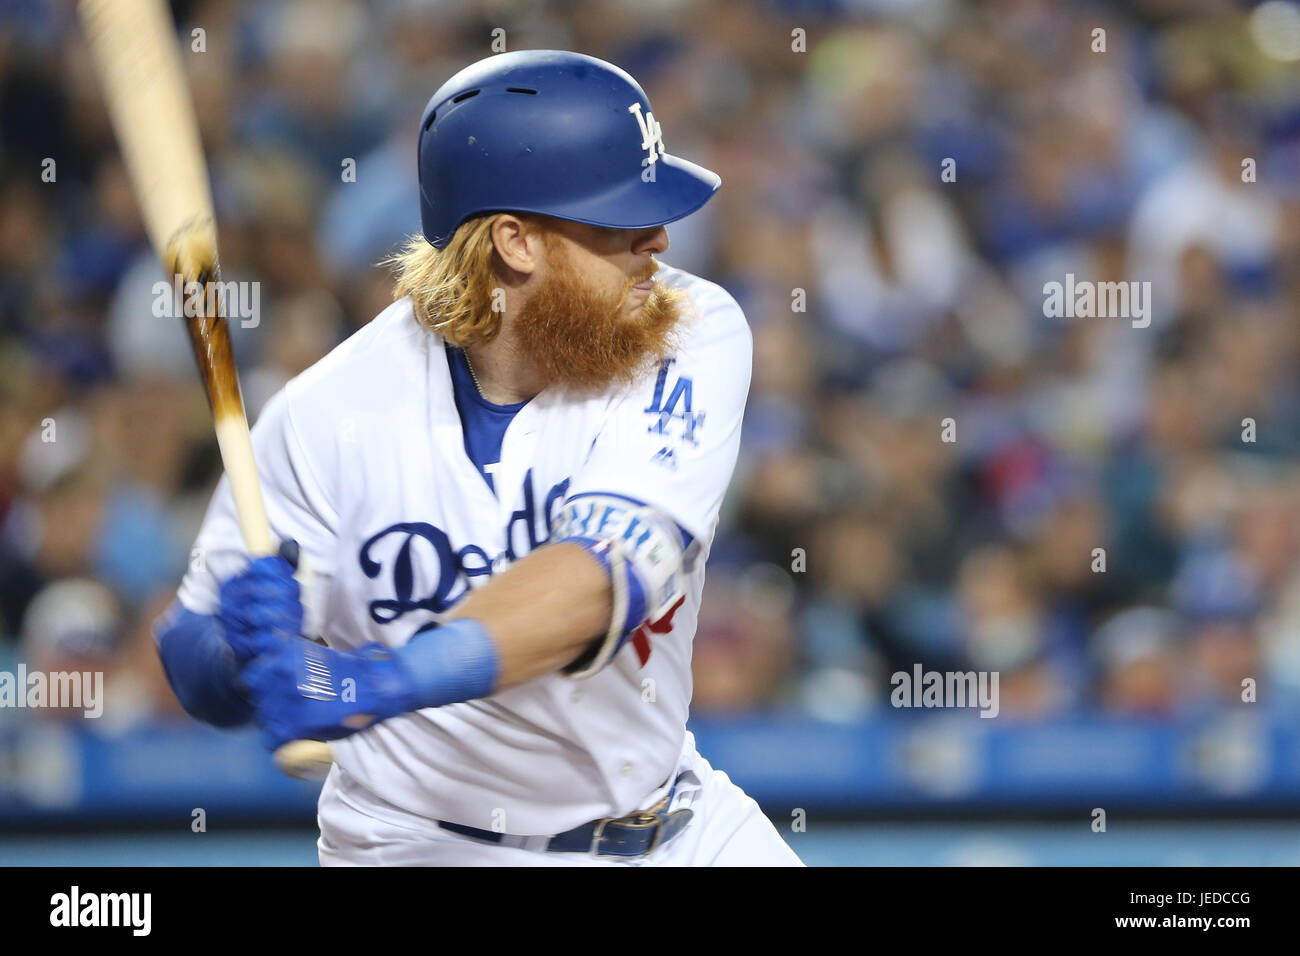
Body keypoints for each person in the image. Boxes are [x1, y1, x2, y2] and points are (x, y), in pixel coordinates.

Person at [152, 50, 802, 866]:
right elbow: (192, 649)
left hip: (676, 821)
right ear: (515, 242)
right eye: (616, 222)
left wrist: (375, 684)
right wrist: (241, 659)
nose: (659, 238)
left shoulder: (689, 328)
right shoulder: (325, 415)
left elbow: (597, 582)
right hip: (427, 847)